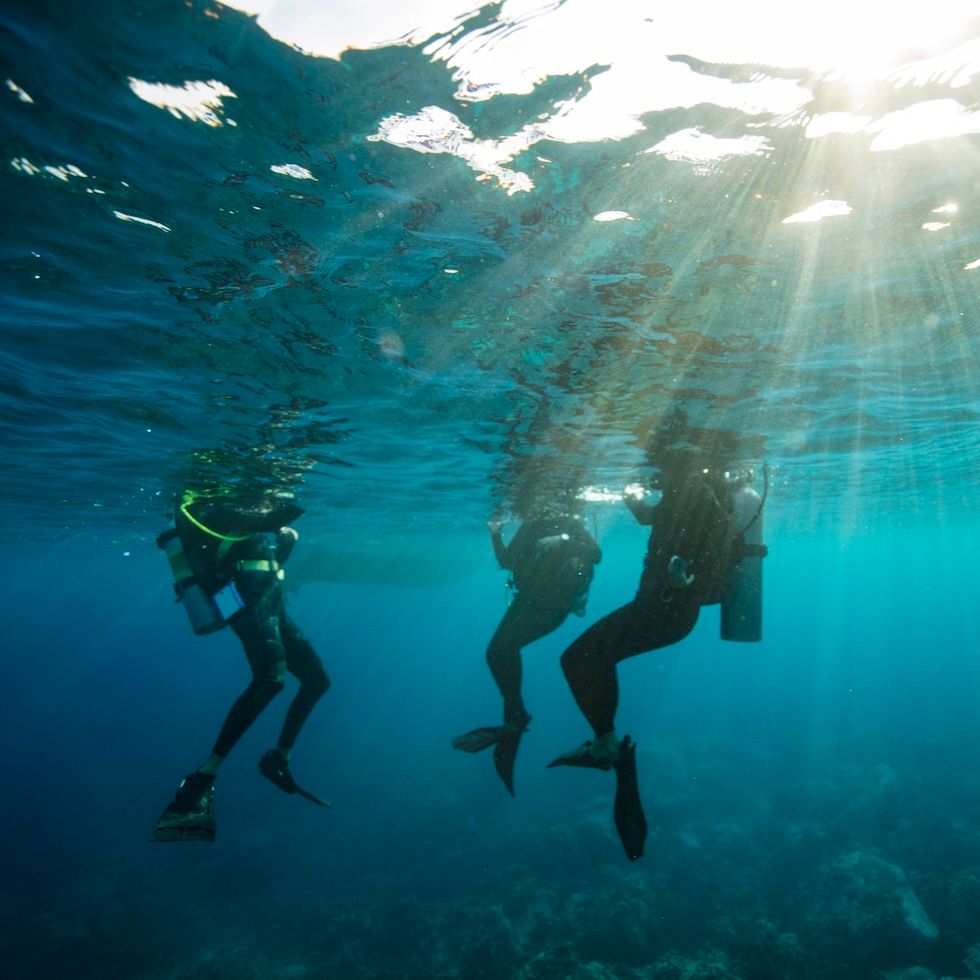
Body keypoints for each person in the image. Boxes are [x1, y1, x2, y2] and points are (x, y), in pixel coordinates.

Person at [549, 457, 747, 861]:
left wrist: (688, 580)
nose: (656, 475)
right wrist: (629, 495)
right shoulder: (683, 492)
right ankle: (606, 746)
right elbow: (649, 517)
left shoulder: (695, 492)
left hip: (665, 612)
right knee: (584, 659)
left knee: (578, 658)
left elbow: (720, 540)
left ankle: (608, 748)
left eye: (660, 469)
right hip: (660, 610)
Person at [151, 491, 330, 842]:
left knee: (317, 681)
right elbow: (286, 512)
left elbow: (265, 549)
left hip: (267, 600)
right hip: (245, 601)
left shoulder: (239, 516)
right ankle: (204, 775)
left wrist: (283, 542)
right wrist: (282, 509)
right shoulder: (216, 513)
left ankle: (279, 758)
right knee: (271, 679)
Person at [452, 510, 601, 795]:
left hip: (554, 605)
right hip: (527, 600)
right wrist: (495, 533)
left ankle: (515, 719)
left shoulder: (570, 520)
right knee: (496, 652)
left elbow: (596, 553)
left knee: (502, 650)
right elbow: (507, 561)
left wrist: (562, 538)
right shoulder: (530, 524)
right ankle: (514, 718)